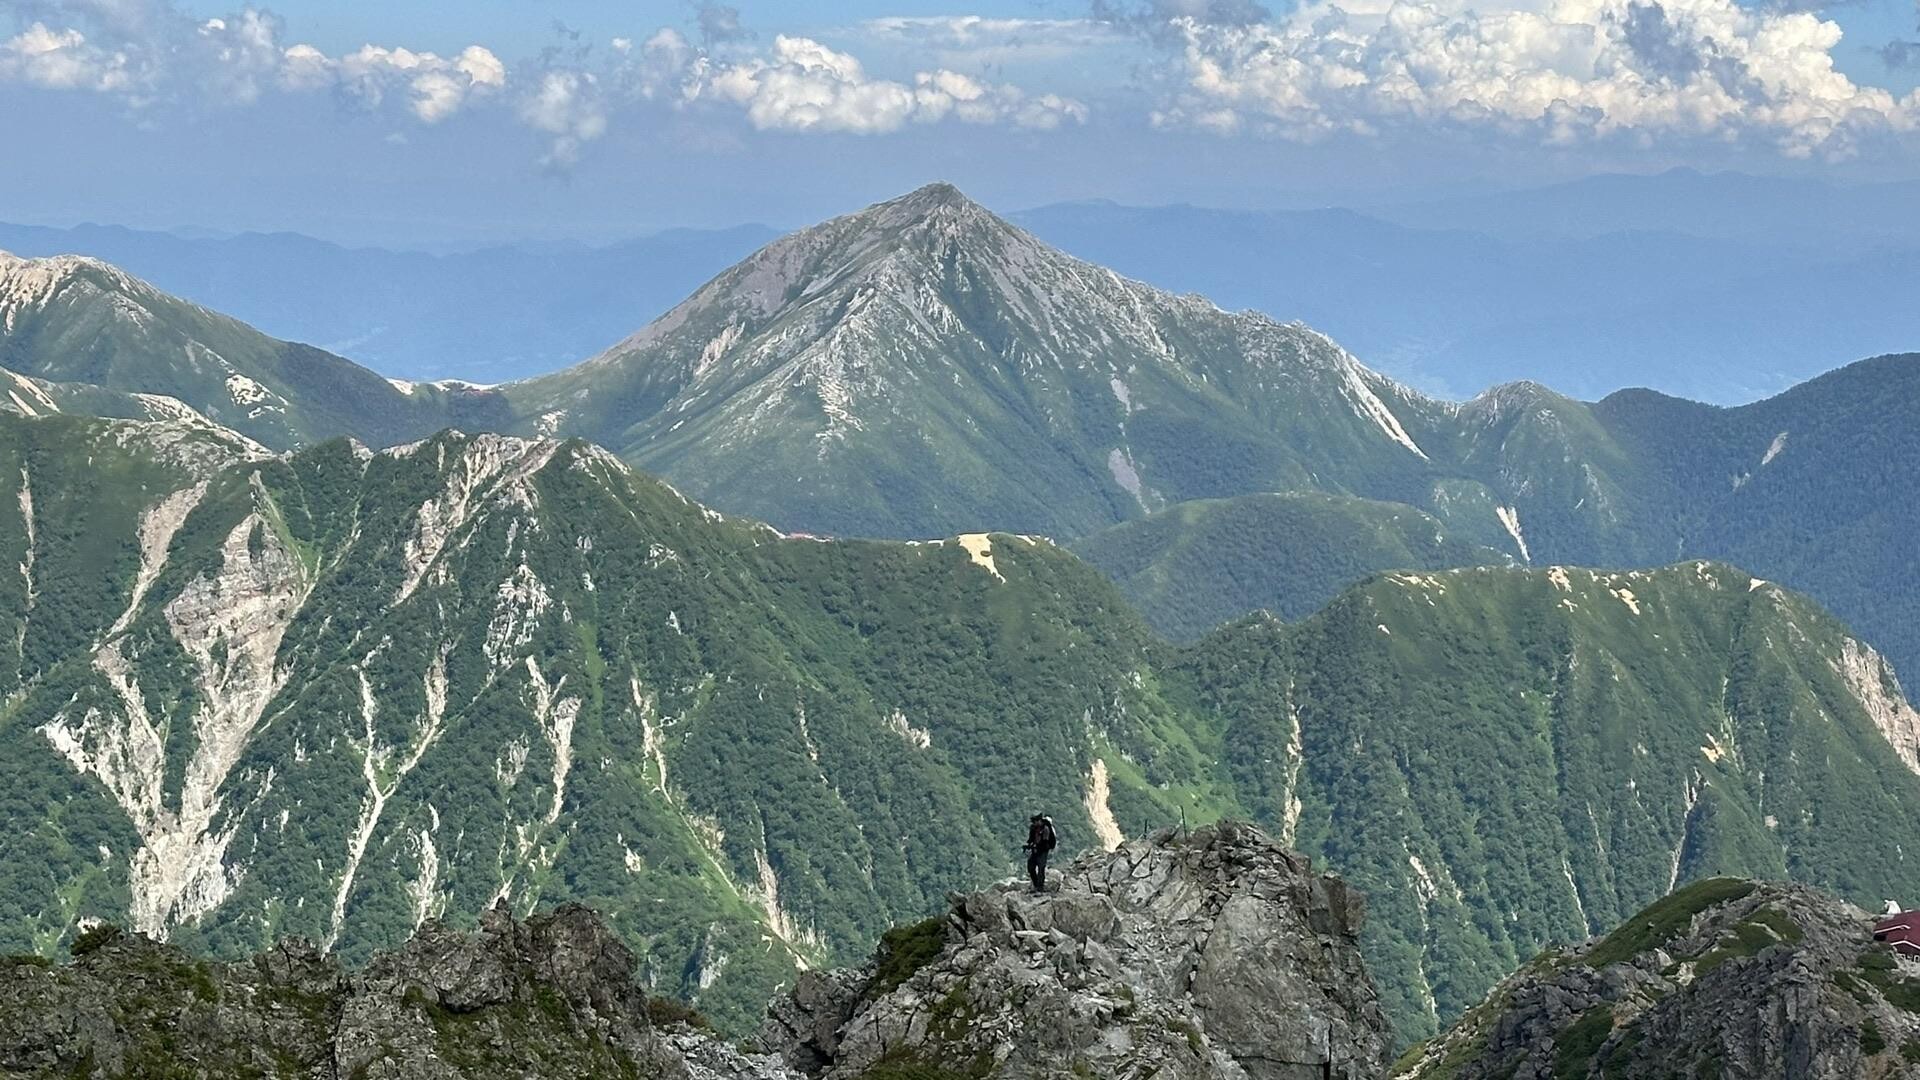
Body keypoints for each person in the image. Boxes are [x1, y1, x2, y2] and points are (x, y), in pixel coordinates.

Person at [1024, 813, 1057, 893]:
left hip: (1043, 851)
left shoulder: (1046, 829)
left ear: (1039, 821)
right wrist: (1029, 846)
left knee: (1041, 868)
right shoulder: (1033, 828)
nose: (1034, 823)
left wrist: (1037, 847)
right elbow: (1031, 839)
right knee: (1031, 867)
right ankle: (1036, 884)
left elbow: (1045, 842)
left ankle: (1040, 887)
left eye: (1035, 821)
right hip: (1035, 850)